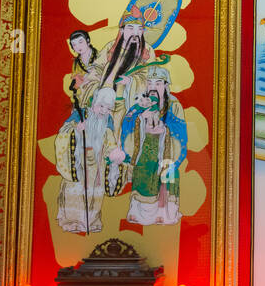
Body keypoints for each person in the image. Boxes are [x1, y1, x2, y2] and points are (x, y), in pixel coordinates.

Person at [108, 67, 186, 225]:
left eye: (158, 83)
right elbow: (127, 122)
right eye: (150, 83)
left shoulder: (174, 105)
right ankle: (139, 212)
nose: (153, 87)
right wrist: (140, 120)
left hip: (167, 150)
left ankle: (165, 213)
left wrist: (165, 129)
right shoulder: (141, 102)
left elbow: (181, 130)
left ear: (165, 85)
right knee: (143, 173)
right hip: (145, 149)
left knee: (167, 174)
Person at [54, 30, 109, 233]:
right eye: (74, 44)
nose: (78, 46)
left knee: (96, 173)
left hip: (100, 110)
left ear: (87, 41)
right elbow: (76, 91)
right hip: (82, 111)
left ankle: (91, 219)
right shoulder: (76, 64)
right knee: (69, 143)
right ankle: (73, 218)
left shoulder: (100, 59)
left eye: (80, 42)